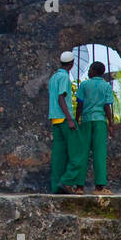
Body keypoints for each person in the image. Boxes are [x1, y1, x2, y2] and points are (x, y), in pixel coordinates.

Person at [74, 61, 116, 193]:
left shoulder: (85, 85)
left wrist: (76, 120)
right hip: (100, 122)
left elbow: (79, 105)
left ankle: (79, 187)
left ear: (93, 71)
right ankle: (99, 186)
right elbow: (107, 106)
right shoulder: (106, 86)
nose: (88, 71)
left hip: (86, 121)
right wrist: (110, 123)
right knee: (100, 153)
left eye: (90, 69)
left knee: (82, 153)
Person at [48, 50, 83, 194]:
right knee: (79, 150)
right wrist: (70, 119)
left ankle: (56, 187)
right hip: (64, 119)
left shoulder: (53, 77)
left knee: (59, 156)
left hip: (55, 119)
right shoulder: (64, 78)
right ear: (72, 64)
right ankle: (67, 180)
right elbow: (61, 98)